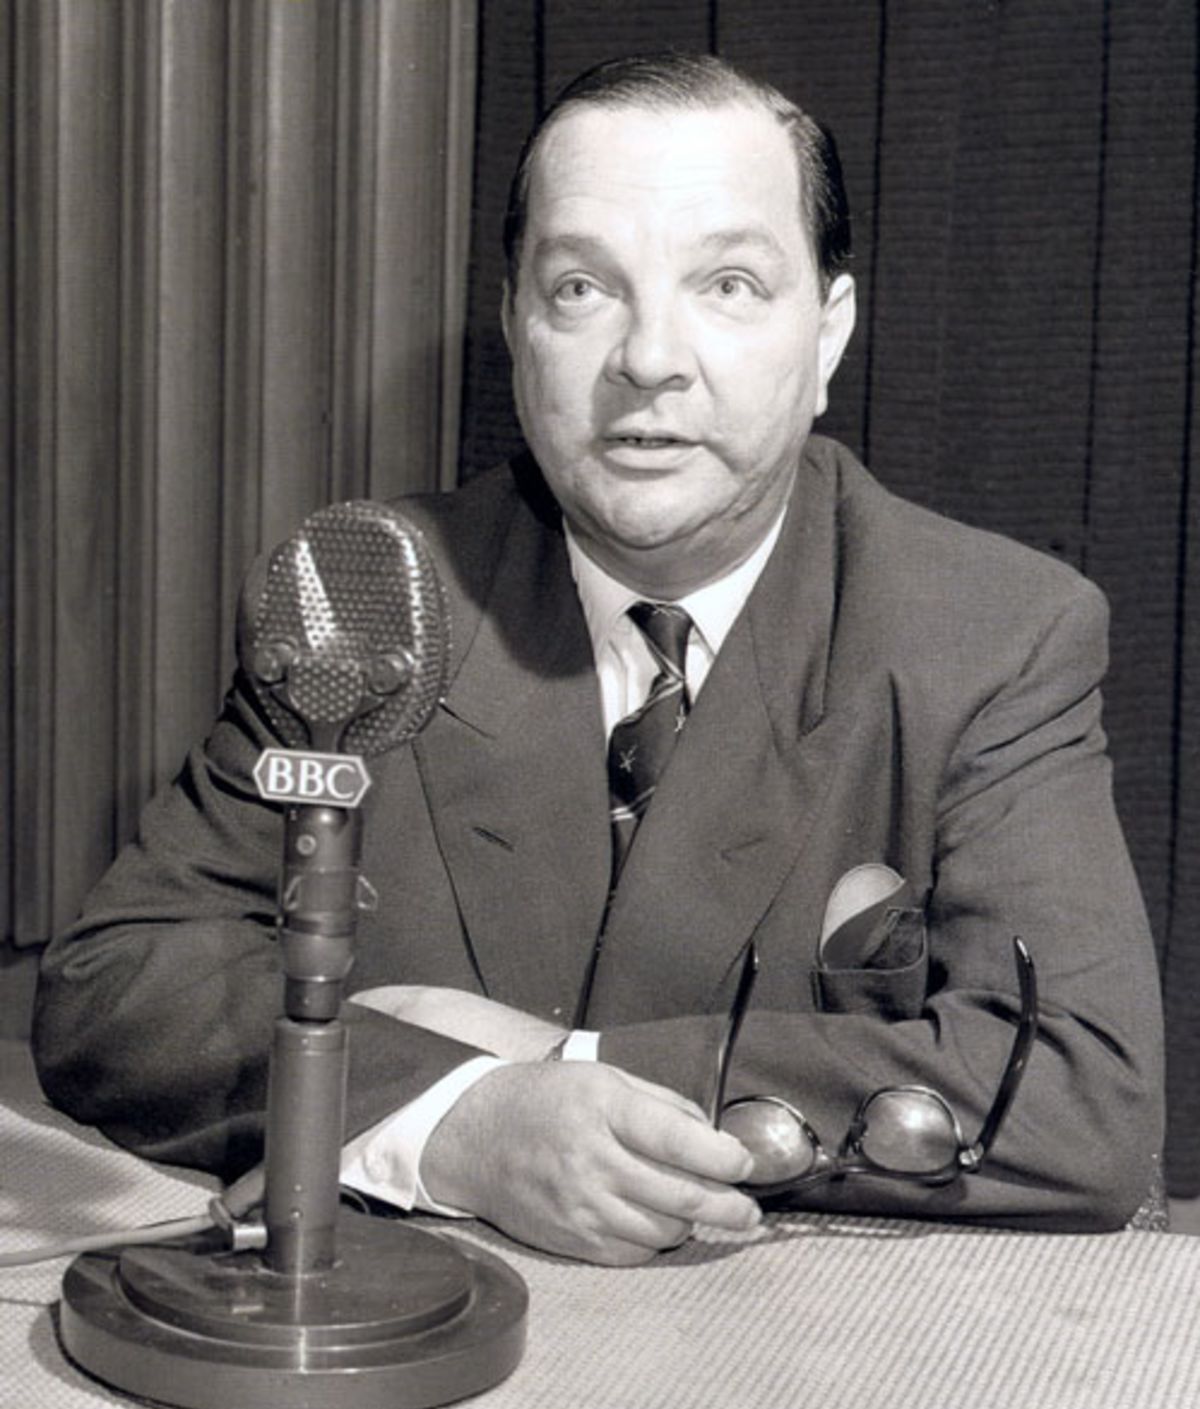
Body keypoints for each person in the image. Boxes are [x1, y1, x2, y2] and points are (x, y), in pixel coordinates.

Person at [33, 53, 1164, 1265]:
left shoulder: (996, 631)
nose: (650, 359)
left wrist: (551, 1074)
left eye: (727, 284)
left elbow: (1083, 1094)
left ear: (827, 333)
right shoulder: (368, 597)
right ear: (518, 323)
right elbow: (116, 987)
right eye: (583, 288)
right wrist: (455, 1122)